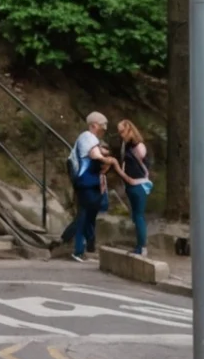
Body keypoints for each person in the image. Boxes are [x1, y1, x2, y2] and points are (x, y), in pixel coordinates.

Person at [62, 111, 109, 263]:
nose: (104, 129)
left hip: (90, 183)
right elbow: (95, 154)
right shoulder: (87, 136)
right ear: (94, 125)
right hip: (86, 183)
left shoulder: (91, 138)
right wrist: (107, 159)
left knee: (89, 214)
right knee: (84, 215)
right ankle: (77, 248)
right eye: (102, 126)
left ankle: (87, 245)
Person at [116, 119, 154, 256]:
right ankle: (139, 245)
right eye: (119, 132)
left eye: (122, 131)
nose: (121, 135)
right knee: (136, 216)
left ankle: (142, 246)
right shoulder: (126, 146)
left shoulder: (138, 146)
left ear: (129, 130)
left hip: (138, 183)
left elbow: (143, 160)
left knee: (139, 216)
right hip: (131, 183)